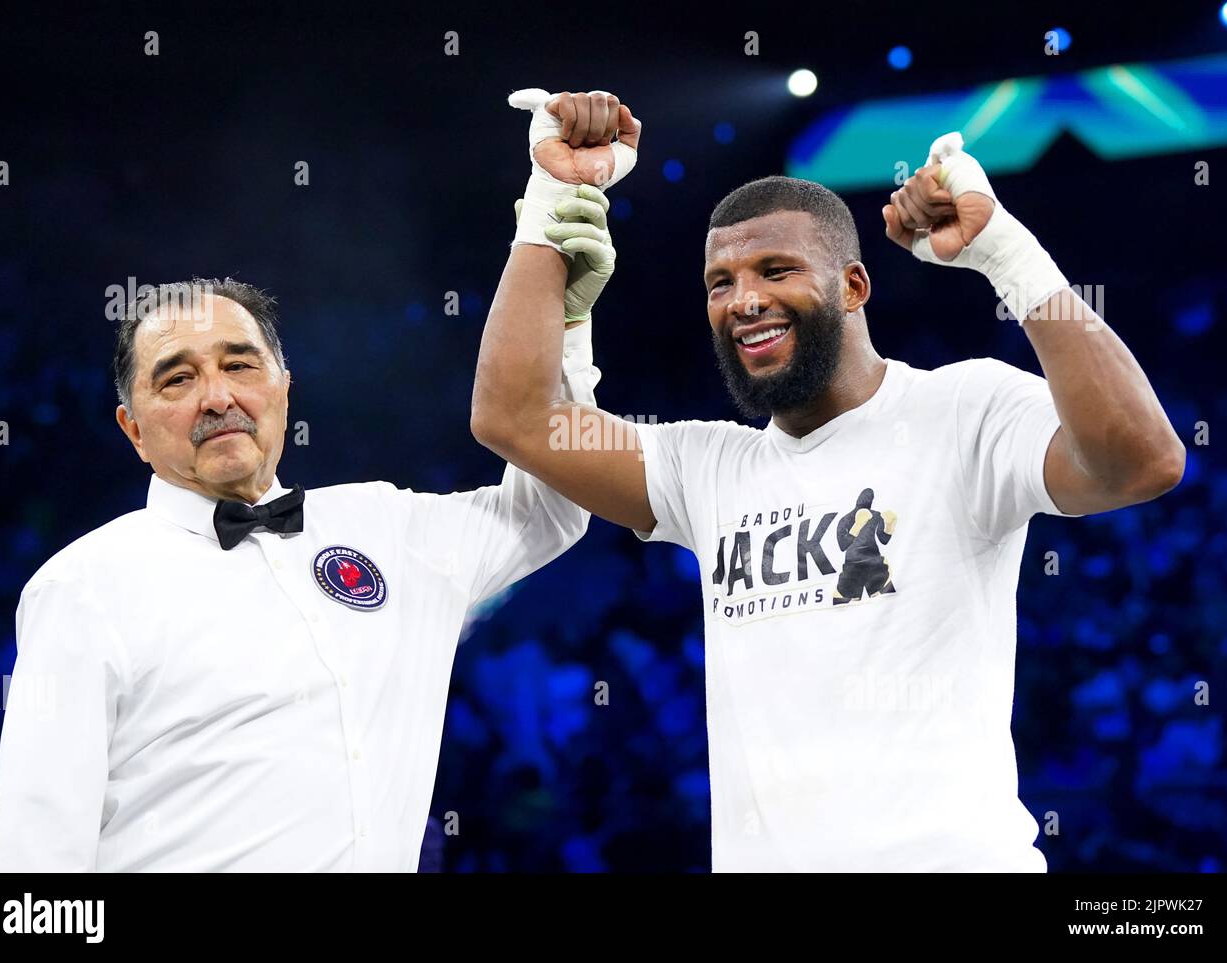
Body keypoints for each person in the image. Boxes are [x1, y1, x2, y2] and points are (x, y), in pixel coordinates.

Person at [471, 91, 1186, 871]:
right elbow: (514, 417)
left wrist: (1007, 256)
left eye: (776, 270)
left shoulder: (962, 409)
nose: (745, 299)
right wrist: (550, 202)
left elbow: (1142, 461)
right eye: (720, 282)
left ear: (853, 286)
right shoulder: (705, 467)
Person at [0, 276, 601, 871]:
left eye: (240, 366)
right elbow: (36, 866)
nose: (217, 397)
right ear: (134, 430)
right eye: (179, 378)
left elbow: (553, 507)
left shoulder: (390, 528)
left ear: (284, 389)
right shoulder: (83, 588)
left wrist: (560, 323)